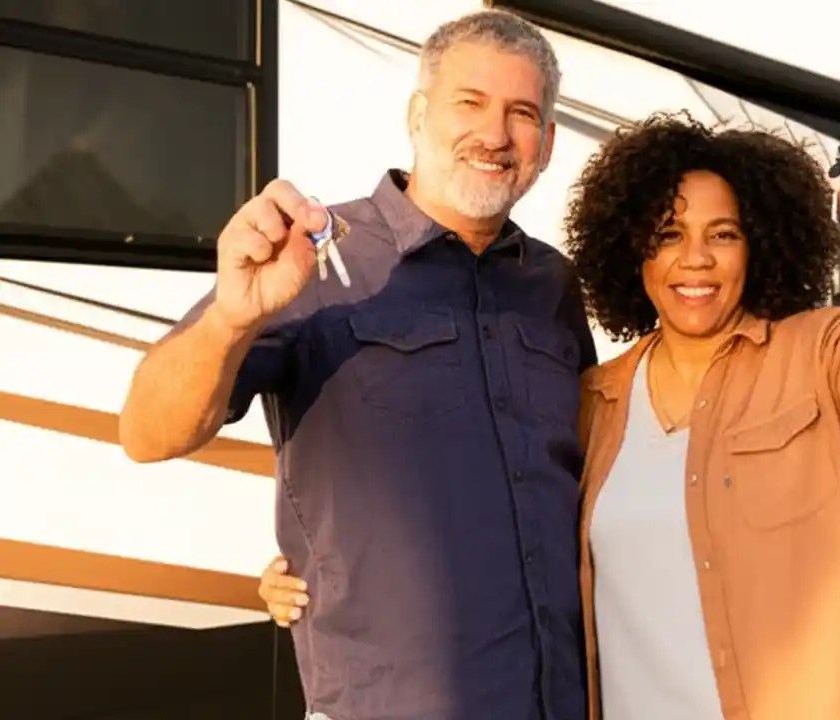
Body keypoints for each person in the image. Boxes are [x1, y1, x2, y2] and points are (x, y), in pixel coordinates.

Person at [260, 111, 840, 718]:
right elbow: (505, 518)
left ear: (758, 247)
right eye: (667, 235)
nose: (693, 260)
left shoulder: (820, 348)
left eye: (723, 234)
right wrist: (321, 565)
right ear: (632, 252)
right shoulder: (596, 398)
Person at [118, 10, 595, 720]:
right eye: (470, 102)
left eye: (521, 113)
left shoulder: (552, 287)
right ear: (418, 114)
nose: (495, 135)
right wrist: (230, 317)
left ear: (548, 142)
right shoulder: (315, 256)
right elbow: (146, 435)